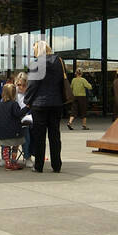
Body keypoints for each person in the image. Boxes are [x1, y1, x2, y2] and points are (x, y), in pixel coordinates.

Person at [24, 40, 67, 173]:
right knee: (55, 135)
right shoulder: (60, 62)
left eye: (34, 50)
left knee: (39, 136)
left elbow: (32, 85)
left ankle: (39, 166)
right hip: (56, 103)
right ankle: (56, 165)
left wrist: (27, 100)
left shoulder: (37, 63)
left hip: (39, 104)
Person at [0, 81, 26, 170]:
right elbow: (18, 114)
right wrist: (27, 108)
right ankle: (13, 162)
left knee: (5, 146)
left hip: (3, 130)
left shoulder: (0, 105)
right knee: (16, 145)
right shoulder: (14, 104)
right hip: (14, 130)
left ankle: (7, 162)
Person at [14, 71, 34, 166]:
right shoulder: (12, 94)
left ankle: (27, 157)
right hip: (13, 121)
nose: (21, 87)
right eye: (19, 85)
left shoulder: (30, 96)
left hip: (27, 121)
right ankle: (6, 156)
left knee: (25, 132)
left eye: (24, 85)